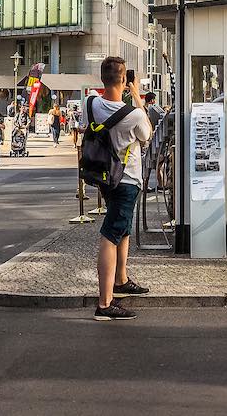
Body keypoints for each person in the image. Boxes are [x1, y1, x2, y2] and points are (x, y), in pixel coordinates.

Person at [82, 57, 152, 321]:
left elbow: (84, 125)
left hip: (104, 178)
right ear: (123, 80)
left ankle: (121, 279)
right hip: (126, 180)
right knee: (111, 235)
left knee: (123, 230)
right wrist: (136, 96)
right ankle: (104, 303)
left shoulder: (90, 103)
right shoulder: (133, 114)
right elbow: (147, 134)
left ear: (102, 79)